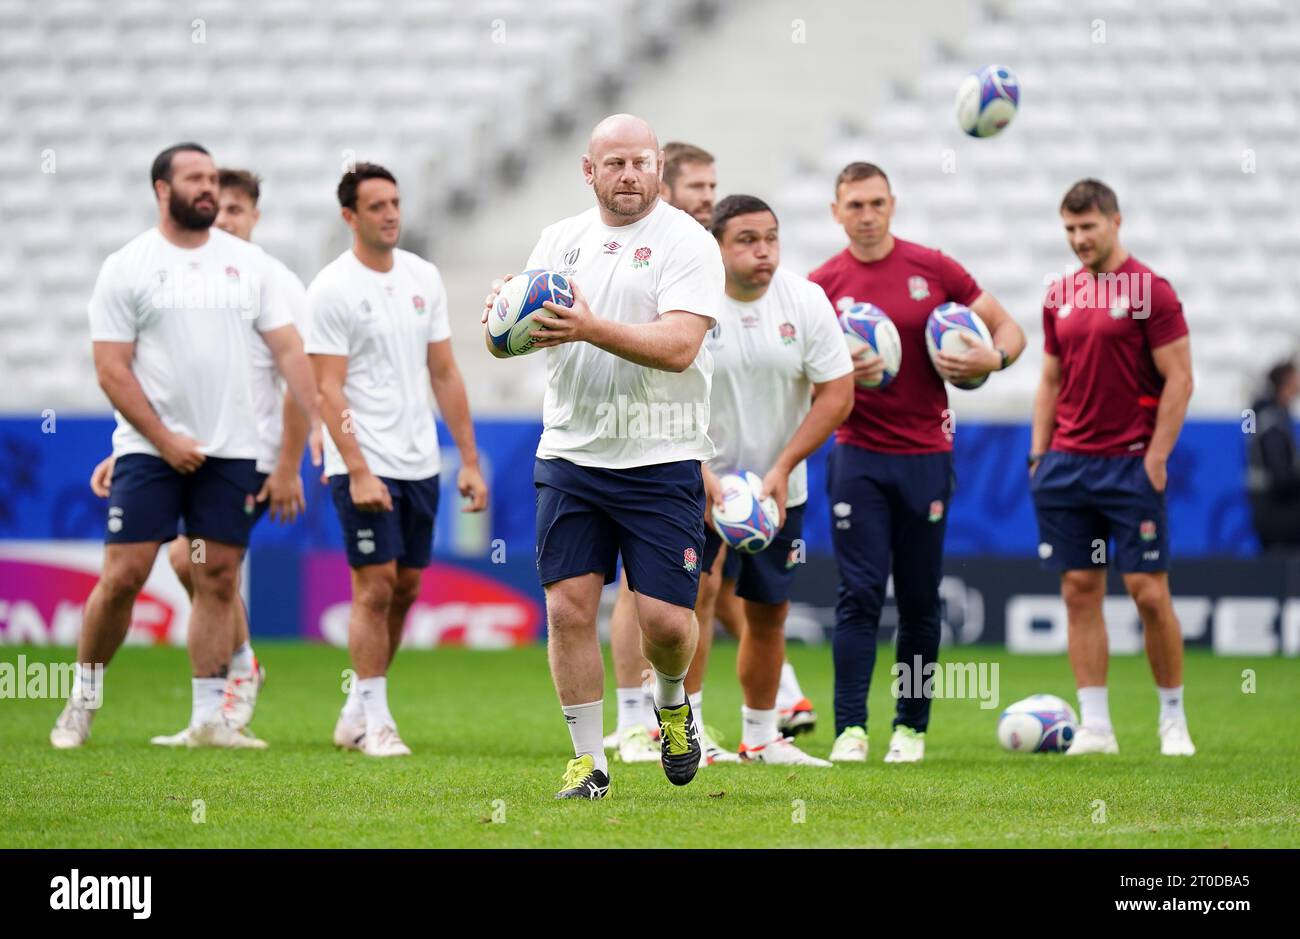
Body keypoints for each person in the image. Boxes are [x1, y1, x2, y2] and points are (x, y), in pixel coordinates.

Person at [484, 114, 723, 799]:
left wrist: (587, 326)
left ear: (658, 169)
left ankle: (672, 703)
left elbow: (679, 347)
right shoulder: (559, 239)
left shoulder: (687, 241)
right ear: (589, 171)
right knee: (566, 610)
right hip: (571, 453)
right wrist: (505, 322)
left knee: (670, 624)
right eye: (613, 164)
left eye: (640, 162)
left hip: (662, 455)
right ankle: (590, 762)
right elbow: (523, 325)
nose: (628, 175)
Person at [52, 143, 320, 749]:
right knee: (124, 575)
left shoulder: (255, 270)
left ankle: (208, 719)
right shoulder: (128, 265)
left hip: (230, 454)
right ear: (161, 189)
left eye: (213, 179)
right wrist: (156, 441)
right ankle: (82, 699)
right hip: (152, 451)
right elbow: (112, 369)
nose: (207, 190)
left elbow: (288, 355)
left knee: (214, 573)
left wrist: (317, 423)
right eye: (195, 179)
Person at [809, 162, 1024, 763]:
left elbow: (1010, 329)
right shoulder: (821, 284)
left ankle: (911, 728)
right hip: (856, 457)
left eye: (876, 202)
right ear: (836, 212)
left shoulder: (934, 268)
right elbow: (794, 373)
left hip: (926, 457)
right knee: (858, 594)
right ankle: (851, 729)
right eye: (855, 205)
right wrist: (831, 373)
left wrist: (993, 357)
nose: (867, 214)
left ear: (892, 204)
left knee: (922, 599)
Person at [308, 162, 487, 757]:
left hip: (417, 458)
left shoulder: (422, 277)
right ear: (349, 216)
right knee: (375, 586)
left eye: (395, 203)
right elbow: (327, 389)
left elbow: (443, 370)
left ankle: (356, 707)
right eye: (377, 205)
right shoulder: (332, 288)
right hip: (363, 460)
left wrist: (467, 457)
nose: (390, 214)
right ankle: (378, 722)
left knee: (406, 585)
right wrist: (356, 467)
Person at [1030, 178, 1196, 757]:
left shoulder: (1151, 291)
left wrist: (1156, 456)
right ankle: (1096, 727)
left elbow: (1180, 377)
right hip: (1067, 465)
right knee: (1079, 590)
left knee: (1148, 593)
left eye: (1088, 227)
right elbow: (1050, 378)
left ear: (1115, 222)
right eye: (1070, 229)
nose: (1078, 238)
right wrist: (1038, 452)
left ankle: (1172, 717)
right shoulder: (1060, 295)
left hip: (1129, 465)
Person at [704, 194, 853, 765]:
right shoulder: (693, 302)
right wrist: (699, 473)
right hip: (699, 489)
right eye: (746, 239)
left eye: (770, 237)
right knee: (694, 599)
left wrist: (785, 465)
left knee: (769, 611)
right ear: (718, 246)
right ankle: (686, 733)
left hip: (776, 495)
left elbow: (838, 393)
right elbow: (663, 394)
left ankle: (762, 737)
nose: (762, 250)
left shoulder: (805, 299)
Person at [1246, 361, 1300, 550]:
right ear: (1286, 382)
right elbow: (1281, 476)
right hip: (1274, 510)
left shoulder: (1270, 414)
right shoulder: (1271, 420)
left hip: (1268, 506)